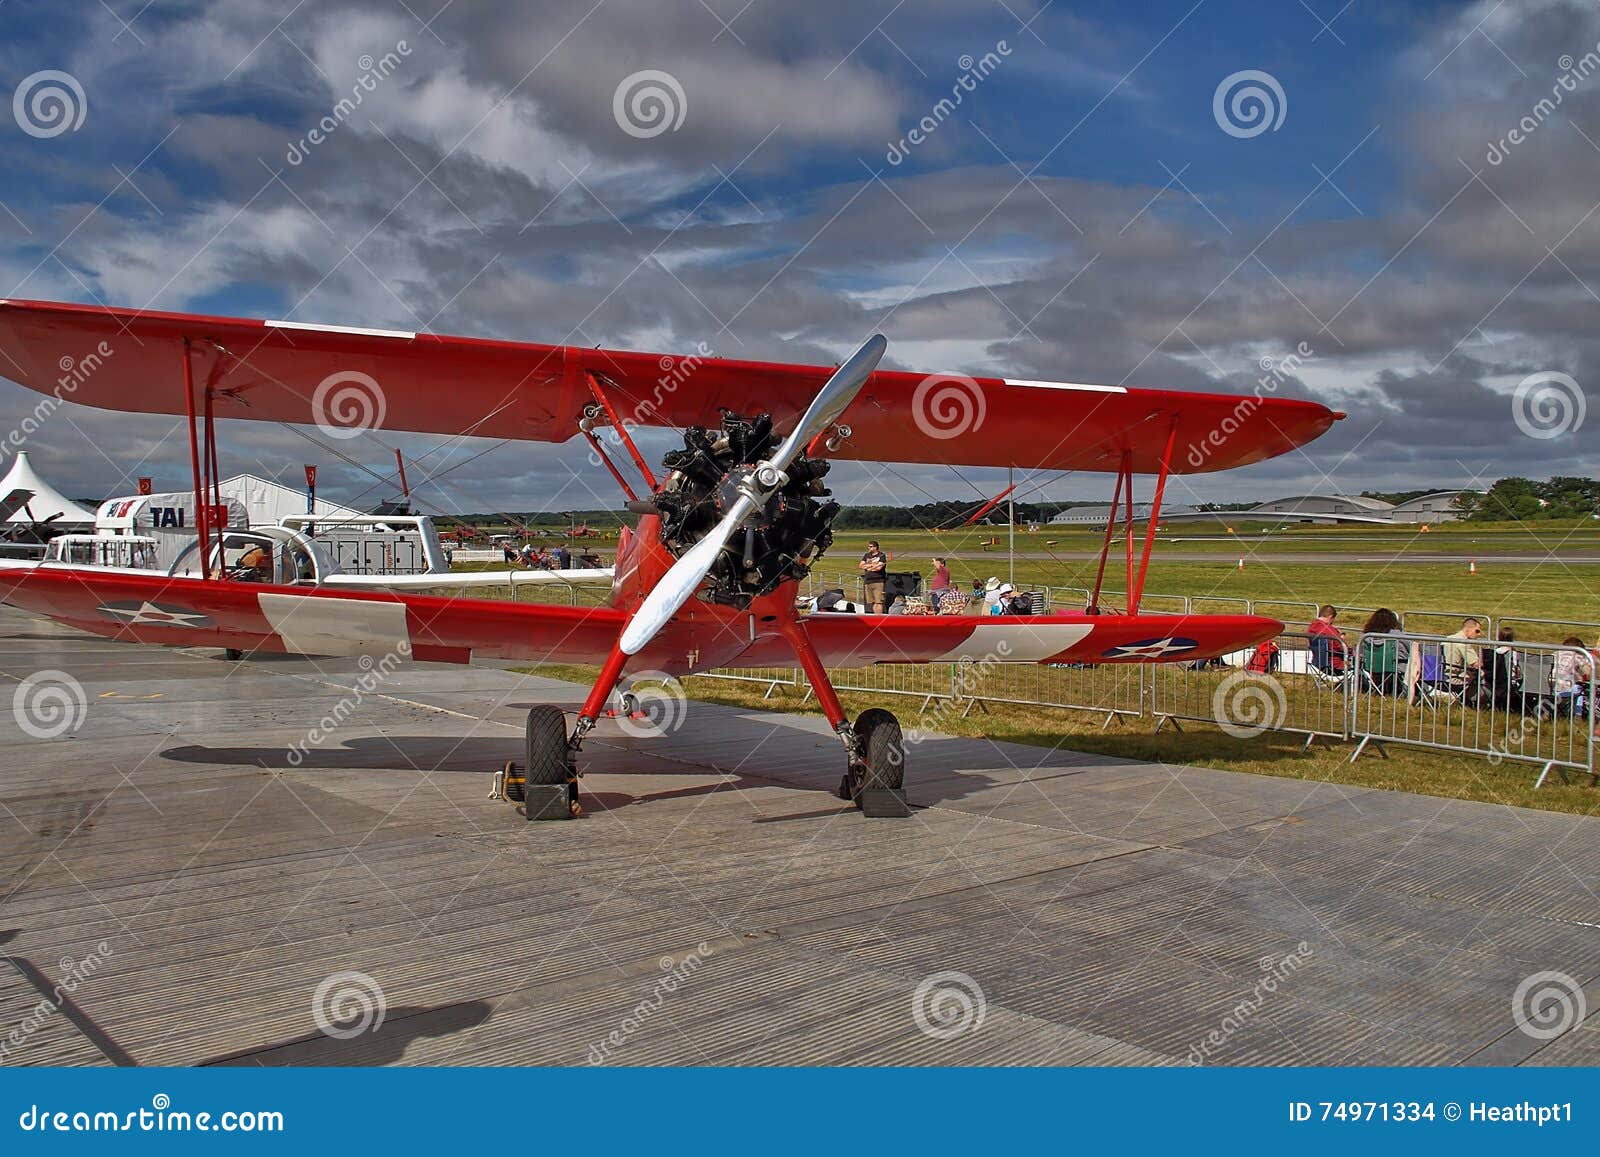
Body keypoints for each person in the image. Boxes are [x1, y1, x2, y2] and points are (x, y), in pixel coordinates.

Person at [1358, 608, 1408, 695]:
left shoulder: (1365, 636)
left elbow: (1359, 651)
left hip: (1370, 666)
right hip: (1394, 667)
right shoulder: (1396, 634)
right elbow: (1411, 646)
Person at [1442, 616, 1485, 698]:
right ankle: (1471, 701)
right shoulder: (1463, 642)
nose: (1479, 634)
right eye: (1477, 631)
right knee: (1482, 674)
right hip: (1455, 678)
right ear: (1467, 629)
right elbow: (1476, 664)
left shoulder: (1448, 638)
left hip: (1441, 675)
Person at [1553, 636, 1593, 718]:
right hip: (1565, 688)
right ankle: (1578, 714)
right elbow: (1589, 672)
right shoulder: (1578, 656)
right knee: (1581, 688)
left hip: (1547, 687)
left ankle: (1547, 713)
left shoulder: (1554, 654)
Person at [1306, 605, 1348, 674]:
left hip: (1317, 663)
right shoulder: (1329, 629)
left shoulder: (1311, 627)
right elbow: (1342, 647)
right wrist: (1342, 640)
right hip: (1335, 666)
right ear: (1330, 617)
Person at [859, 540, 889, 613]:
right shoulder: (867, 555)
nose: (869, 548)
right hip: (868, 581)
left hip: (878, 582)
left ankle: (879, 617)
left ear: (875, 547)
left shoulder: (881, 555)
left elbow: (879, 568)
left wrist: (868, 566)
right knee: (871, 602)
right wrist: (872, 565)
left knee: (878, 601)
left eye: (871, 546)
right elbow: (860, 565)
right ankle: (875, 615)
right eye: (868, 546)